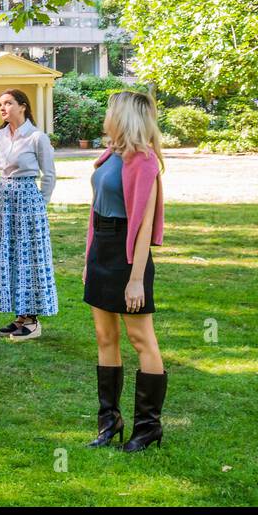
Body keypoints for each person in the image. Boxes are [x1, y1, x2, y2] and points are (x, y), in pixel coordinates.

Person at [83, 91, 167, 452]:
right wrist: (89, 259)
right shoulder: (110, 154)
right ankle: (109, 421)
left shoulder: (143, 160)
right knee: (105, 337)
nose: (106, 115)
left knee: (140, 339)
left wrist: (136, 279)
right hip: (102, 249)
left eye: (110, 110)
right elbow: (96, 210)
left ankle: (148, 427)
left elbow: (144, 224)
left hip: (128, 254)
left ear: (124, 116)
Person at [0, 88, 58, 341]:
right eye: (0, 104)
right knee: (9, 253)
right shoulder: (0, 136)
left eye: (8, 103)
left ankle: (32, 320)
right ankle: (19, 316)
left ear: (23, 106)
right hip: (4, 199)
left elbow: (49, 175)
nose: (3, 108)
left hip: (28, 200)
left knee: (28, 256)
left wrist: (40, 204)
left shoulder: (37, 137)